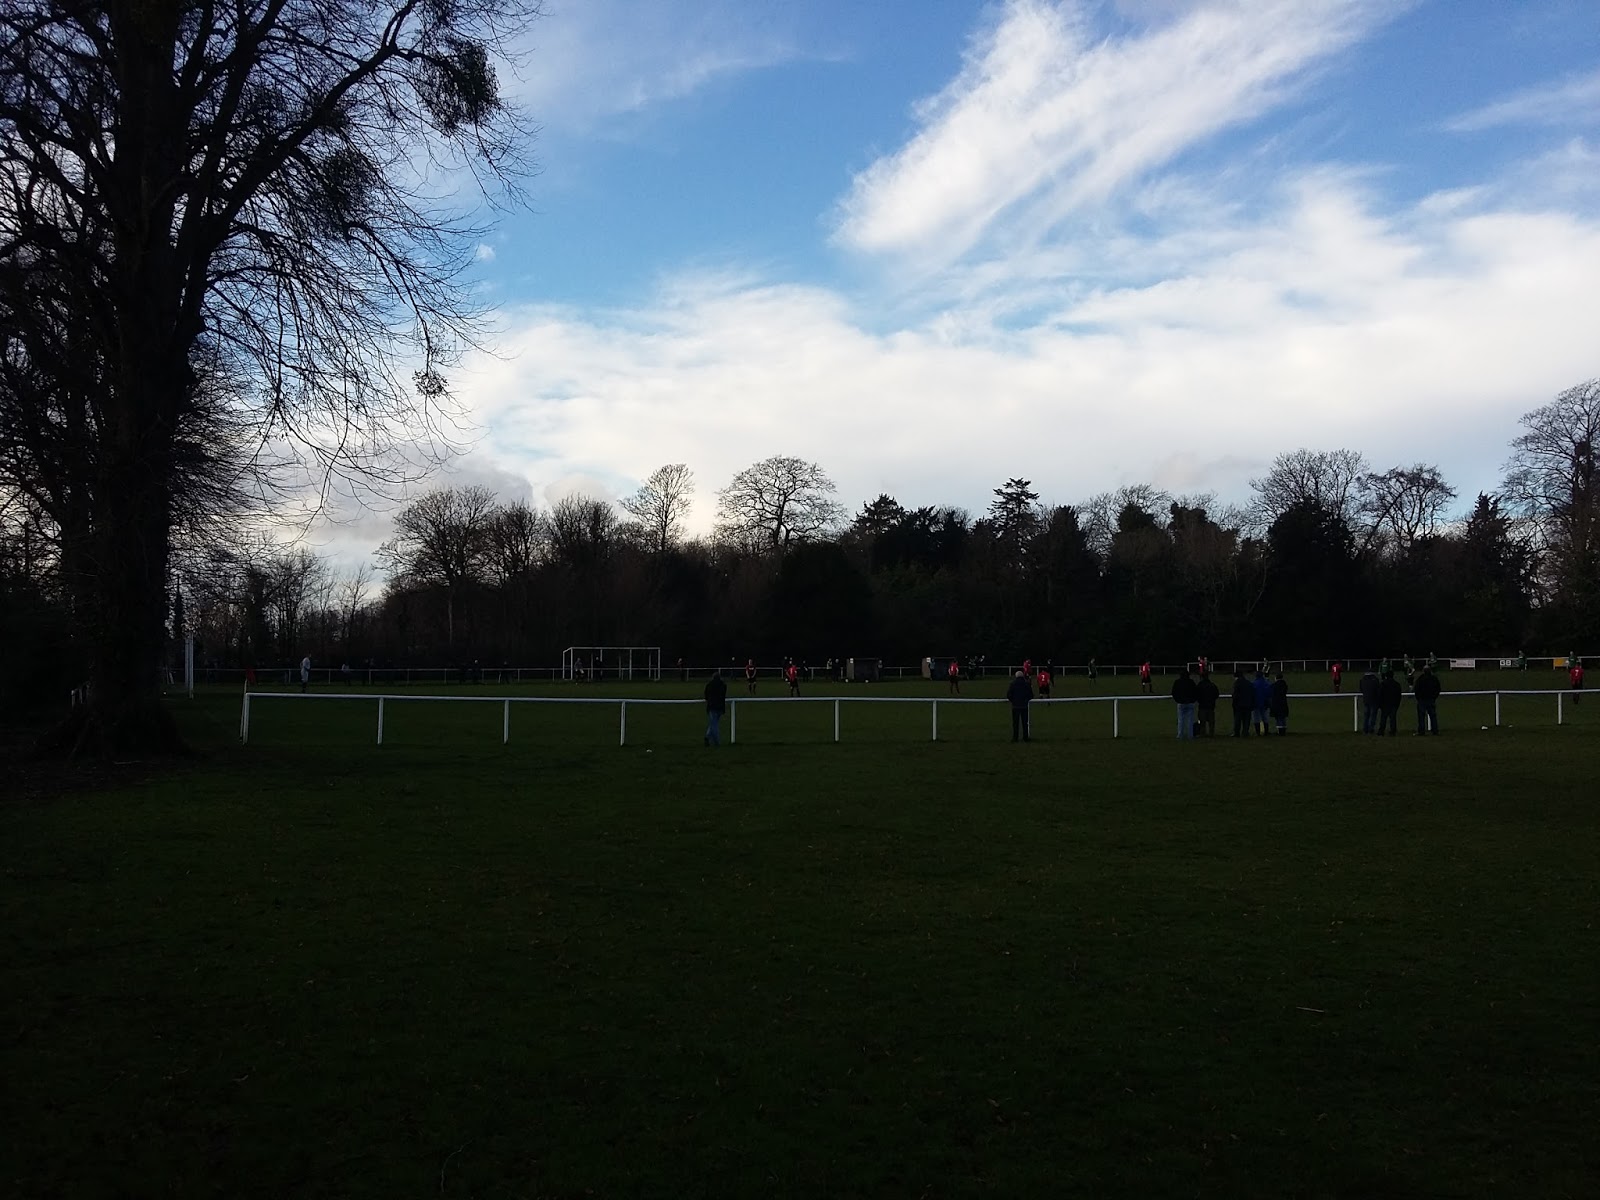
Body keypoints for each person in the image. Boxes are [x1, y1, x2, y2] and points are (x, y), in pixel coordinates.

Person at [1006, 669, 1034, 742]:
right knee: (1025, 723)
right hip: (1024, 706)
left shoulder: (1012, 684)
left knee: (1015, 723)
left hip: (1015, 706)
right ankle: (1025, 738)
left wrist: (1013, 701)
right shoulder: (1027, 684)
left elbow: (1009, 695)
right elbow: (1031, 695)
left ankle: (1015, 738)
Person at [1170, 669, 1199, 739]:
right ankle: (1190, 735)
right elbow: (1195, 692)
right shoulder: (1191, 682)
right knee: (1190, 720)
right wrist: (1193, 700)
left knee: (1180, 720)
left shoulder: (1177, 682)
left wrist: (1177, 700)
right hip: (1190, 703)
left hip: (1181, 703)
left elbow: (1174, 692)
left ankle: (1180, 734)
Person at [1414, 663, 1442, 734]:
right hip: (1431, 699)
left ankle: (1421, 731)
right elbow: (1438, 689)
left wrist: (1419, 698)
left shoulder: (1420, 679)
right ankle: (1435, 730)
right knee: (1433, 716)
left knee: (1421, 717)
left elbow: (1416, 689)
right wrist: (1434, 697)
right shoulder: (1434, 679)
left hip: (1422, 700)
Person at [703, 669, 727, 746]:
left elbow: (706, 696)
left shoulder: (709, 685)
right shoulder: (723, 685)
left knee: (714, 724)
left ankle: (716, 741)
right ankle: (708, 737)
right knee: (714, 723)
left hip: (712, 707)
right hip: (720, 707)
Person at [1378, 671, 1402, 736]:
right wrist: (1397, 704)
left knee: (1383, 718)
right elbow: (1399, 695)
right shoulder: (1396, 684)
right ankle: (1393, 731)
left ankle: (1381, 731)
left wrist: (1380, 704)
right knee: (1393, 718)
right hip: (1393, 704)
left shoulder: (1383, 684)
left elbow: (1380, 694)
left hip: (1385, 704)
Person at [1230, 669, 1253, 737]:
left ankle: (1236, 733)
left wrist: (1234, 703)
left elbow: (1235, 695)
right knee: (1246, 720)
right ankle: (1245, 732)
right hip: (1248, 704)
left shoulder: (1237, 684)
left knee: (1237, 720)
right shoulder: (1249, 683)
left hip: (1239, 705)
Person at [1196, 670, 1219, 737]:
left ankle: (1203, 733)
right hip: (1211, 706)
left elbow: (1196, 695)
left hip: (1202, 706)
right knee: (1211, 722)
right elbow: (1216, 695)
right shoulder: (1212, 685)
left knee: (1202, 722)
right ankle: (1211, 733)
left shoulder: (1199, 686)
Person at [1360, 667, 1381, 734]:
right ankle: (1371, 729)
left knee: (1366, 715)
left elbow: (1361, 689)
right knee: (1372, 715)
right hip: (1374, 700)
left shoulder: (1362, 680)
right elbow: (1378, 690)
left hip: (1366, 700)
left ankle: (1365, 729)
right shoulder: (1375, 680)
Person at [1251, 669, 1271, 736]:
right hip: (1265, 703)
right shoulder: (1266, 683)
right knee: (1265, 718)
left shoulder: (1253, 684)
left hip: (1256, 703)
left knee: (1256, 718)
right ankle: (1266, 732)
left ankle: (1258, 732)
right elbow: (1269, 693)